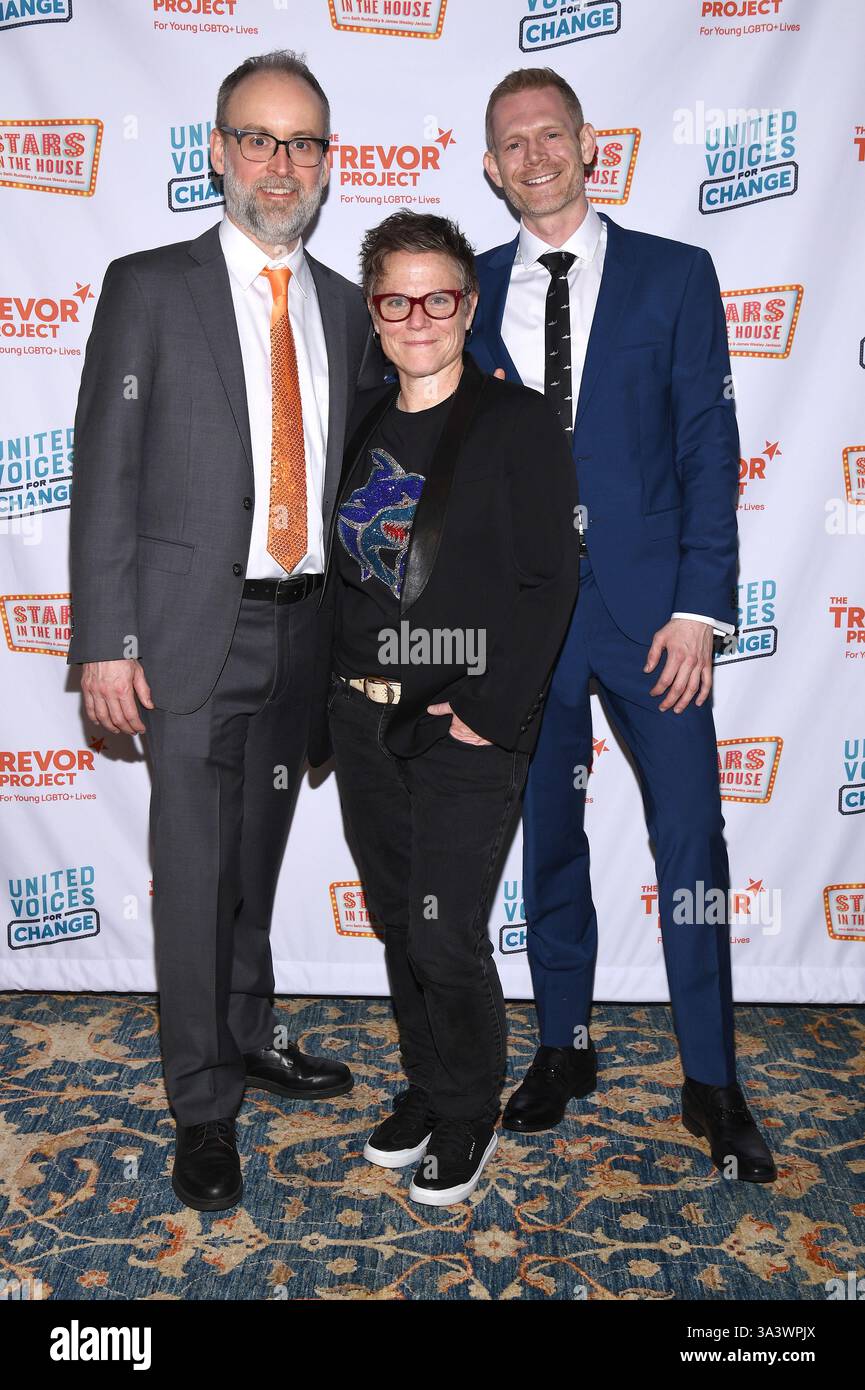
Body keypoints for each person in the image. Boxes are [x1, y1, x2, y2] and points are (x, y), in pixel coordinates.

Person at [67, 50, 382, 1213]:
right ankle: (202, 1106)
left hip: (306, 638)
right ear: (215, 150)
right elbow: (105, 469)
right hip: (189, 639)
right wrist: (106, 637)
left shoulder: (345, 308)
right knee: (194, 878)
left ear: (327, 163)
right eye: (258, 138)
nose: (280, 164)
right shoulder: (148, 285)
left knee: (252, 870)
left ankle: (245, 1039)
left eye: (302, 144)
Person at [469, 67, 776, 1182]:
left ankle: (711, 1077)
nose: (536, 153)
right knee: (550, 839)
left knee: (690, 842)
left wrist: (701, 605)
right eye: (514, 141)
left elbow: (706, 449)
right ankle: (563, 1043)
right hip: (525, 627)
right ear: (492, 165)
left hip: (656, 623)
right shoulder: (467, 288)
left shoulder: (674, 276)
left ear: (591, 145)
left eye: (553, 133)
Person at [306, 210, 580, 1206]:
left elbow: (548, 582)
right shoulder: (360, 419)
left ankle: (470, 1107)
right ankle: (429, 1082)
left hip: (459, 721)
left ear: (467, 305)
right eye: (395, 297)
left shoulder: (516, 423)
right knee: (394, 921)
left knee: (440, 931)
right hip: (359, 717)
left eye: (438, 296)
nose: (416, 316)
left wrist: (486, 711)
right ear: (373, 309)